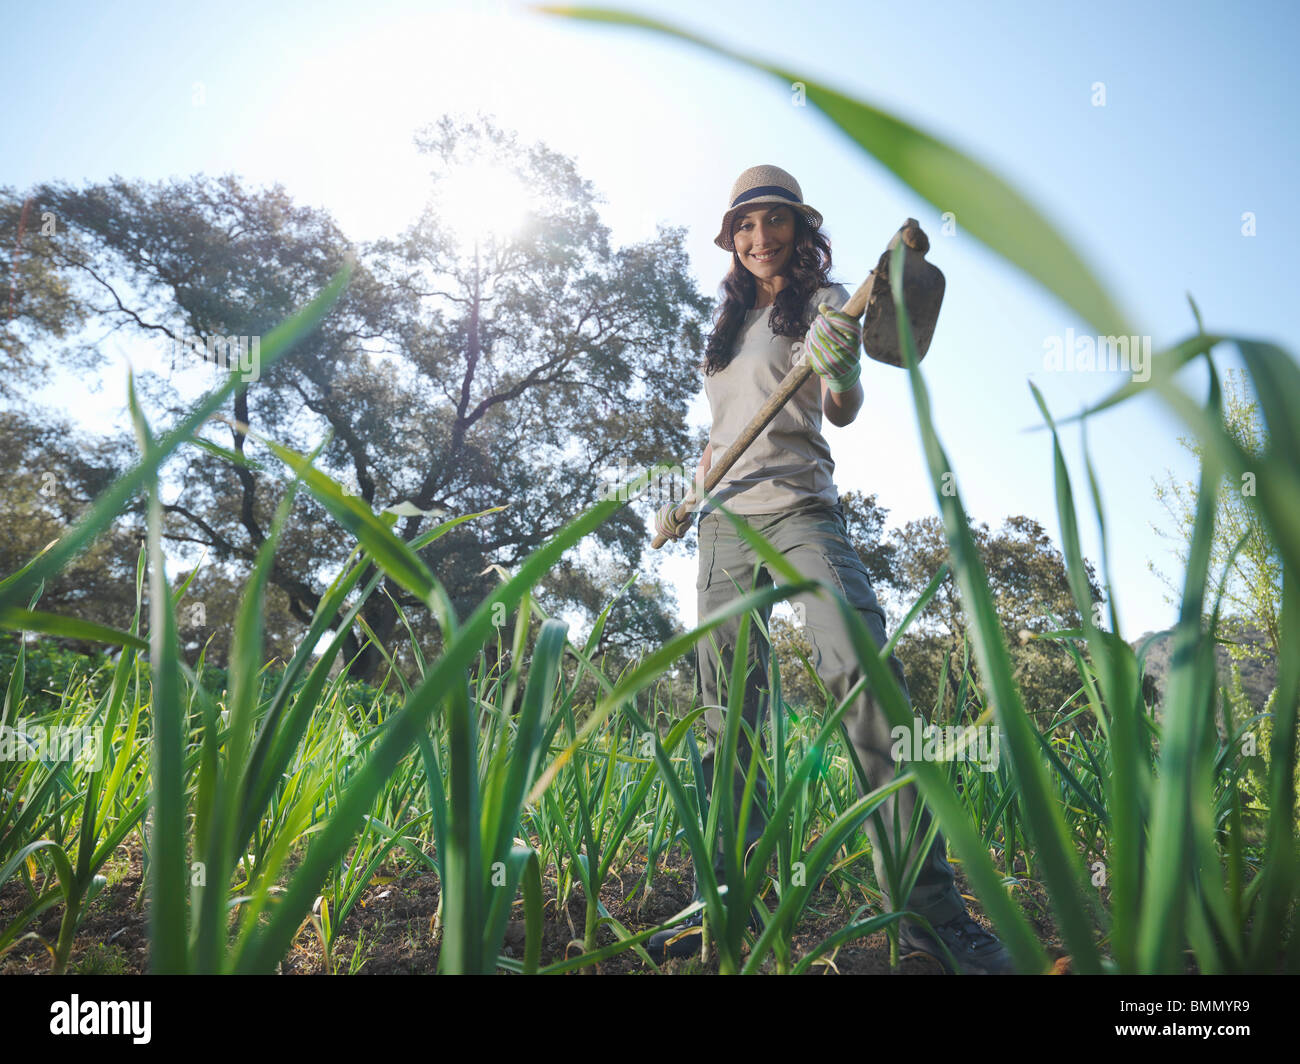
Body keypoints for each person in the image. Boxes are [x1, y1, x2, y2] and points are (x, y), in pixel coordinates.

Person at [648, 164, 1013, 975]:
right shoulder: (725, 330)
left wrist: (840, 368)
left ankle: (933, 922)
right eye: (744, 227)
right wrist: (683, 497)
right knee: (724, 718)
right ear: (731, 241)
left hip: (803, 514)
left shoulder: (824, 304)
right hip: (723, 528)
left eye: (774, 221)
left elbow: (842, 407)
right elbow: (722, 436)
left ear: (800, 230)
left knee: (865, 681)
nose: (759, 238)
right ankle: (727, 903)